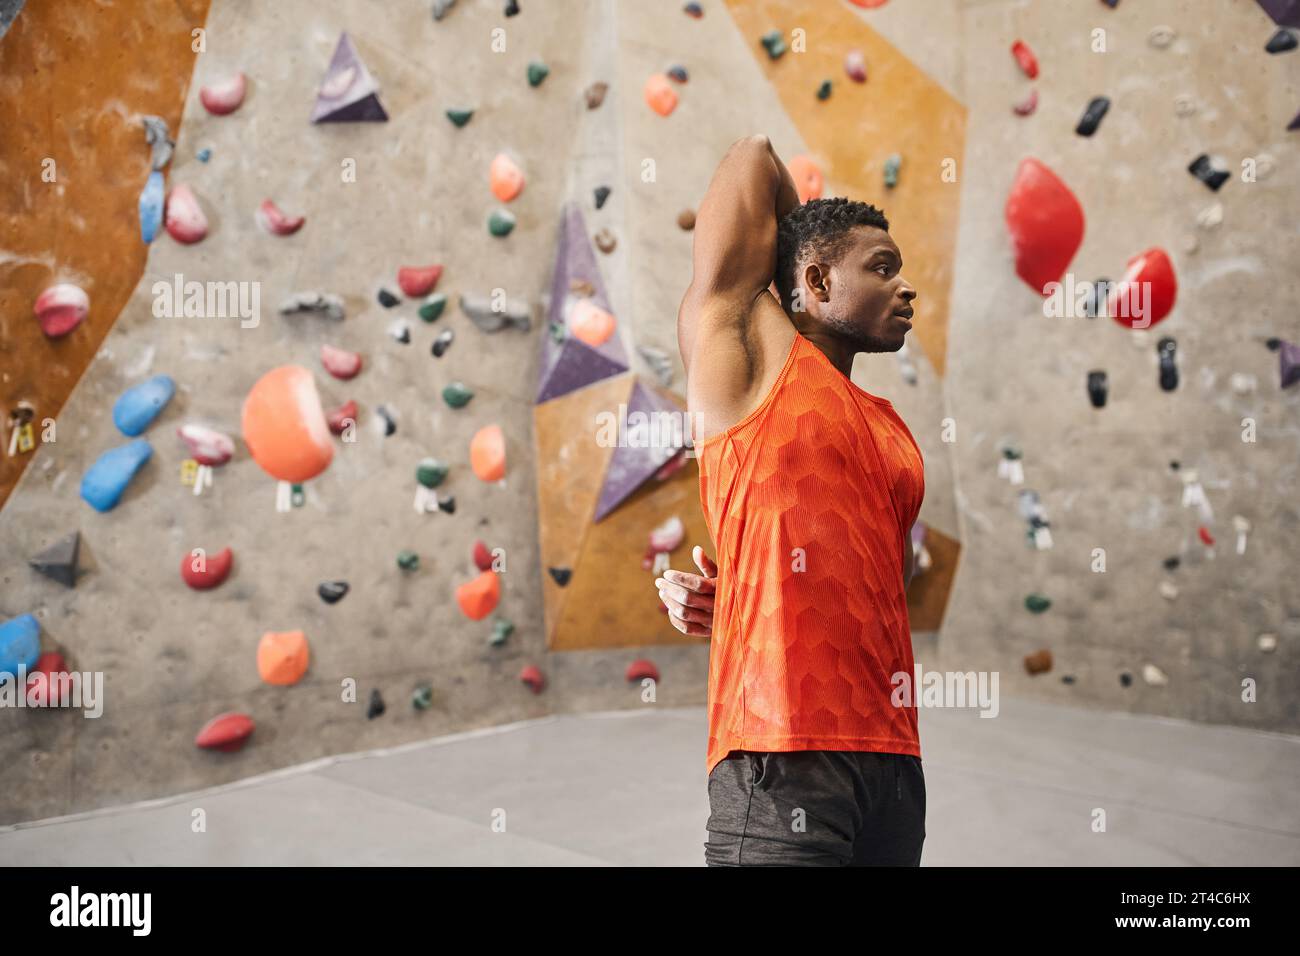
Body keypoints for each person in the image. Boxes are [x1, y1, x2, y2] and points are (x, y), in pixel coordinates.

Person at [655, 134, 926, 866]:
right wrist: (808, 233)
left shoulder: (891, 428)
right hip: (779, 755)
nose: (907, 289)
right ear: (815, 280)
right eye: (882, 268)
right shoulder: (746, 364)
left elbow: (872, 583)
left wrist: (744, 591)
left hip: (895, 760)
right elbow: (752, 155)